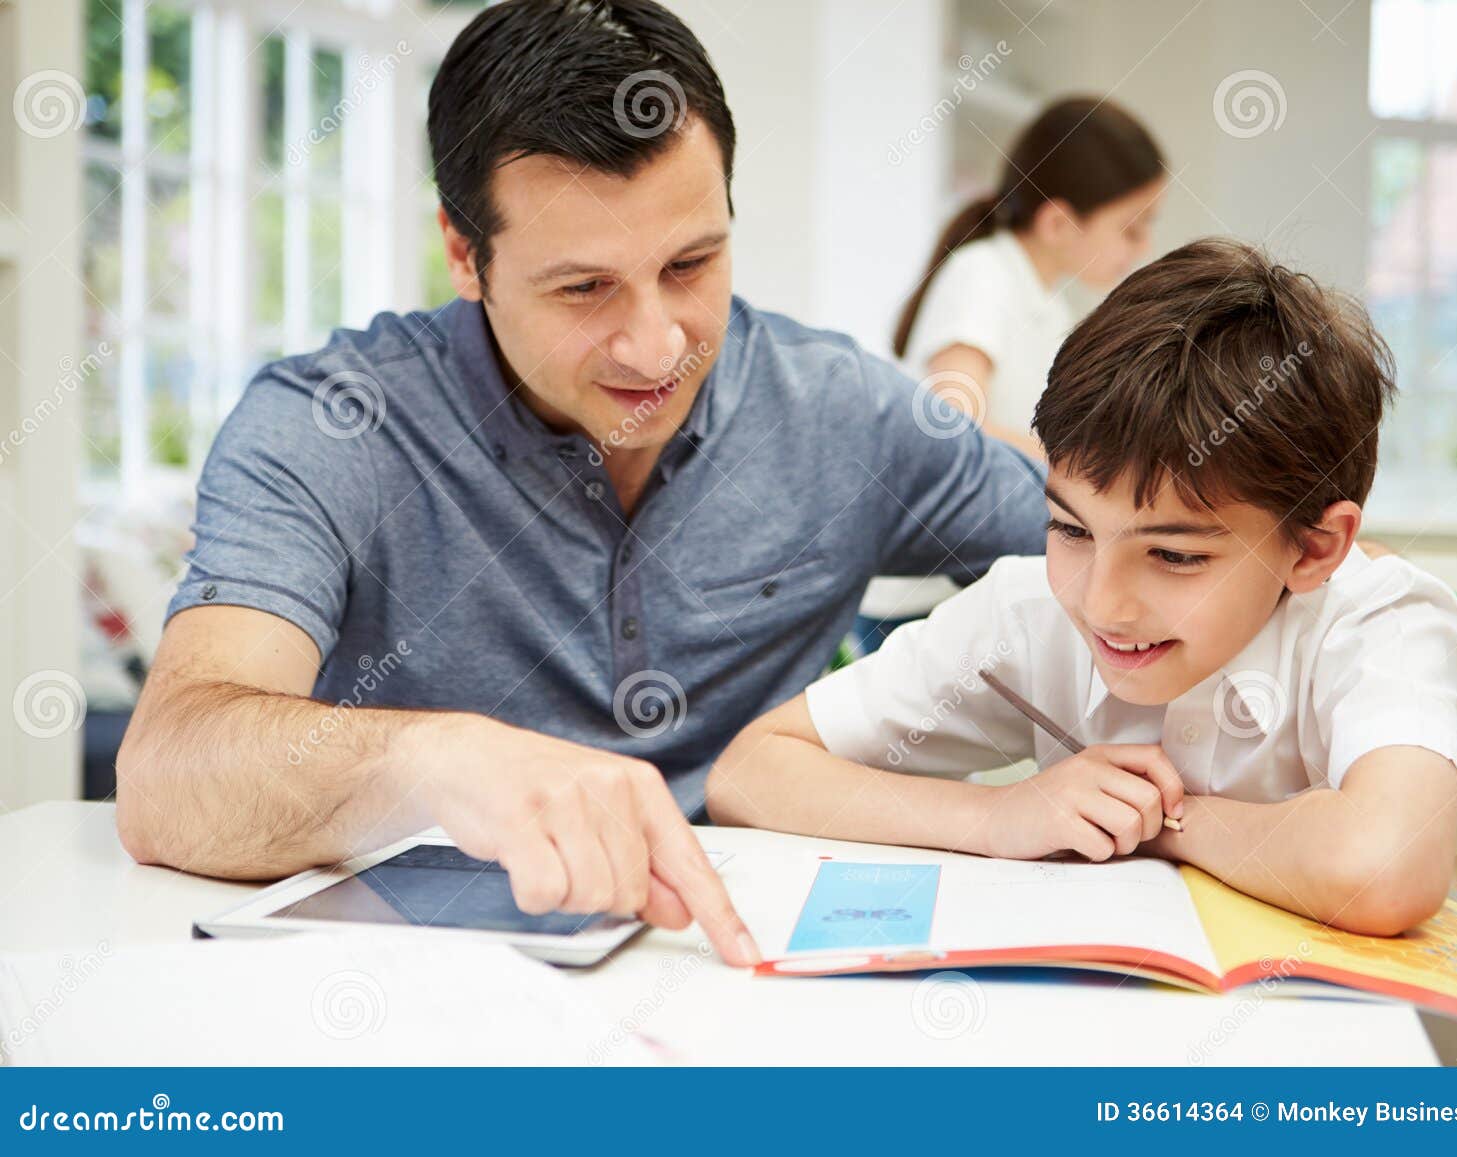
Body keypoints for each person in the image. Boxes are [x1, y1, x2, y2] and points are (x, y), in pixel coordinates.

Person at [113, 0, 1046, 966]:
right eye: (582, 288)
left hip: (748, 979)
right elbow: (167, 774)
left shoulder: (846, 414)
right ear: (465, 254)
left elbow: (1118, 555)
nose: (656, 346)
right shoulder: (330, 427)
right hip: (426, 997)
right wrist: (436, 758)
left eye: (691, 263)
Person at [708, 238, 1457, 937]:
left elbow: (1386, 868)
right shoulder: (1031, 611)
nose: (1103, 603)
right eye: (1071, 529)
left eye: (1175, 557)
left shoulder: (1386, 623)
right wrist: (999, 814)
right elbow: (748, 773)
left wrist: (1161, 822)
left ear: (1314, 549)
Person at [855, 98, 1165, 652]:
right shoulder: (984, 277)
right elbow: (952, 427)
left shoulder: (1047, 301)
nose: (1142, 248)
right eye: (1131, 228)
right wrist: (1083, 467)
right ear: (1056, 222)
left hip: (968, 580)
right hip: (922, 600)